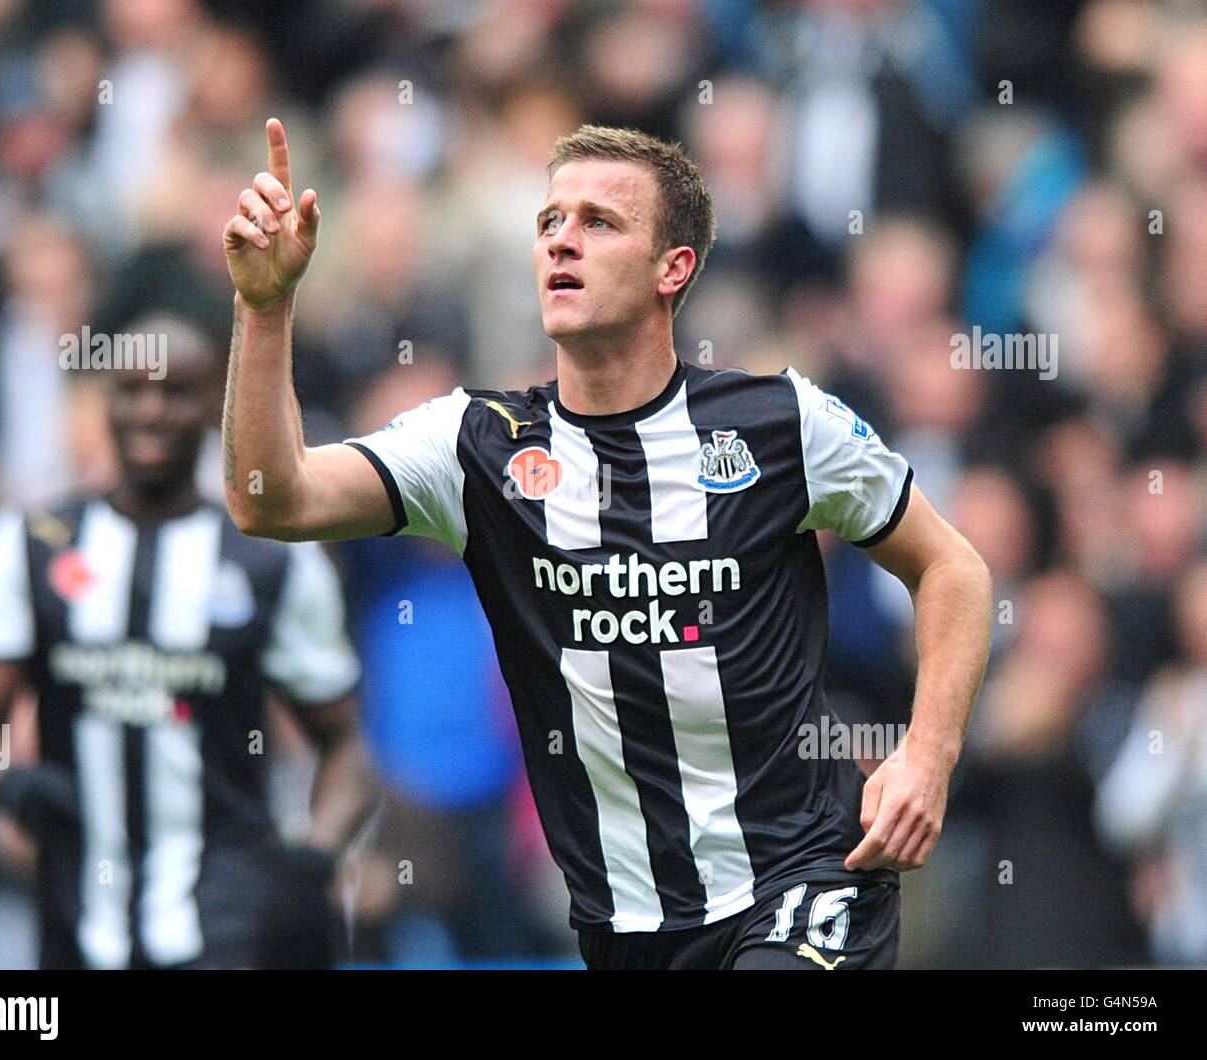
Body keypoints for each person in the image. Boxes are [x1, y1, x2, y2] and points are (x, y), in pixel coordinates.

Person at [220, 119, 993, 970]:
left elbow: (951, 565)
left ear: (674, 269)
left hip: (801, 878)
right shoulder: (477, 445)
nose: (562, 242)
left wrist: (928, 754)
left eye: (598, 222)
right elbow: (269, 498)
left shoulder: (780, 423)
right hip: (625, 925)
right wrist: (265, 307)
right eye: (550, 221)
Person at [0, 314, 373, 970]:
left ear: (214, 407)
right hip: (77, 914)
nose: (151, 411)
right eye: (131, 388)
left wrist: (310, 862)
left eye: (176, 392)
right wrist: (12, 788)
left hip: (227, 920)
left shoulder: (273, 561)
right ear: (104, 402)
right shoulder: (30, 544)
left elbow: (343, 743)